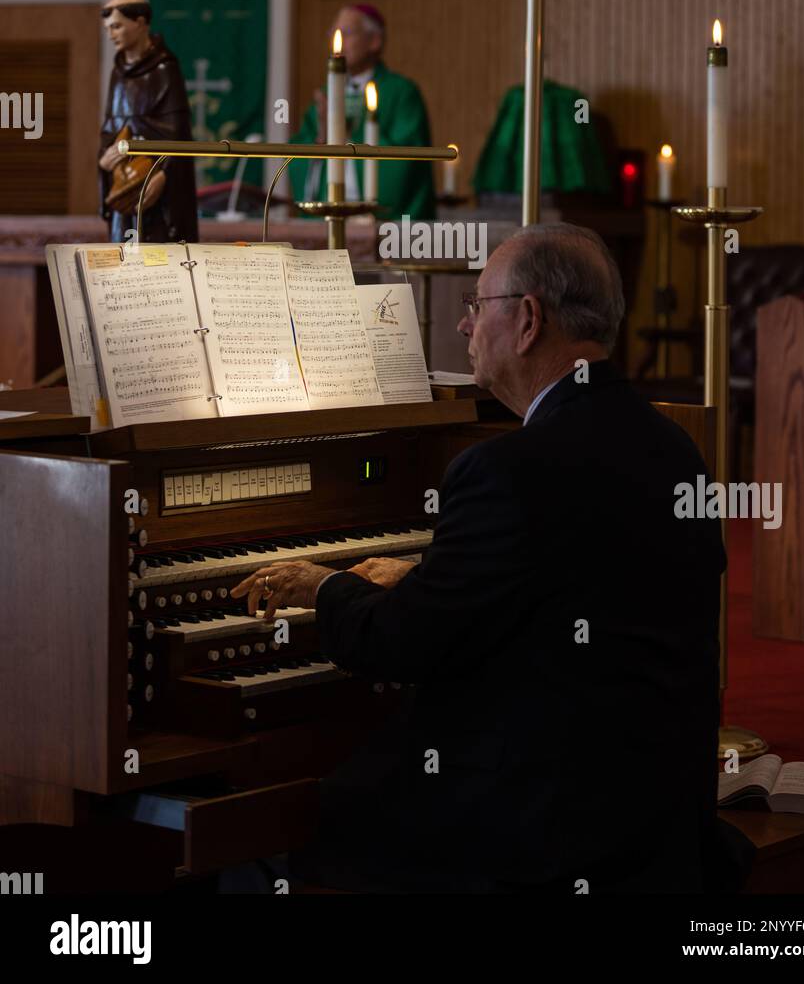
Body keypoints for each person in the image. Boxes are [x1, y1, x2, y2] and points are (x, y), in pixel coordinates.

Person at [231, 224, 752, 893]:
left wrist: (324, 586)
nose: (462, 323)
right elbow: (560, 585)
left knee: (280, 828)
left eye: (478, 306)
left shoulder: (507, 469)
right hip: (656, 816)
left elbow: (405, 642)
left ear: (528, 319)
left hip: (542, 829)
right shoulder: (670, 447)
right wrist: (424, 577)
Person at [288, 4, 435, 220]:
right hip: (330, 213)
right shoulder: (326, 93)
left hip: (382, 220)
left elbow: (407, 160)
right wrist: (322, 137)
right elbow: (297, 158)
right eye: (334, 33)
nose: (338, 42)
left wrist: (346, 135)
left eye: (346, 33)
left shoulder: (401, 92)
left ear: (374, 41)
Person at [98, 0, 198, 243]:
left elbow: (178, 136)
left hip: (159, 190)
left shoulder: (165, 70)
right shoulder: (117, 73)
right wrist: (105, 157)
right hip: (124, 182)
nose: (111, 35)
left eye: (117, 26)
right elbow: (112, 128)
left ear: (140, 23)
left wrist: (165, 174)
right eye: (108, 28)